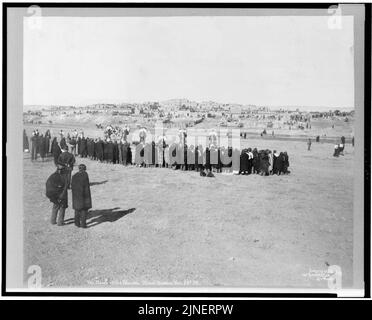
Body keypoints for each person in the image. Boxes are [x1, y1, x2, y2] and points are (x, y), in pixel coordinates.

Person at [71, 164, 92, 228]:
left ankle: (76, 223)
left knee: (77, 209)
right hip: (83, 195)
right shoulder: (85, 175)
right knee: (84, 210)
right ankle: (83, 224)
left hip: (76, 196)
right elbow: (86, 186)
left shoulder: (74, 176)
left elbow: (72, 186)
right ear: (84, 169)